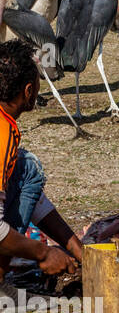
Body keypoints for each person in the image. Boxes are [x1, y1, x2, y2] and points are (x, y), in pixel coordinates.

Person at [0, 41, 81, 280]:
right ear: (28, 91)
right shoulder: (2, 133)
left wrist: (77, 248)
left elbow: (28, 188)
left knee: (25, 166)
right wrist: (44, 253)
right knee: (29, 165)